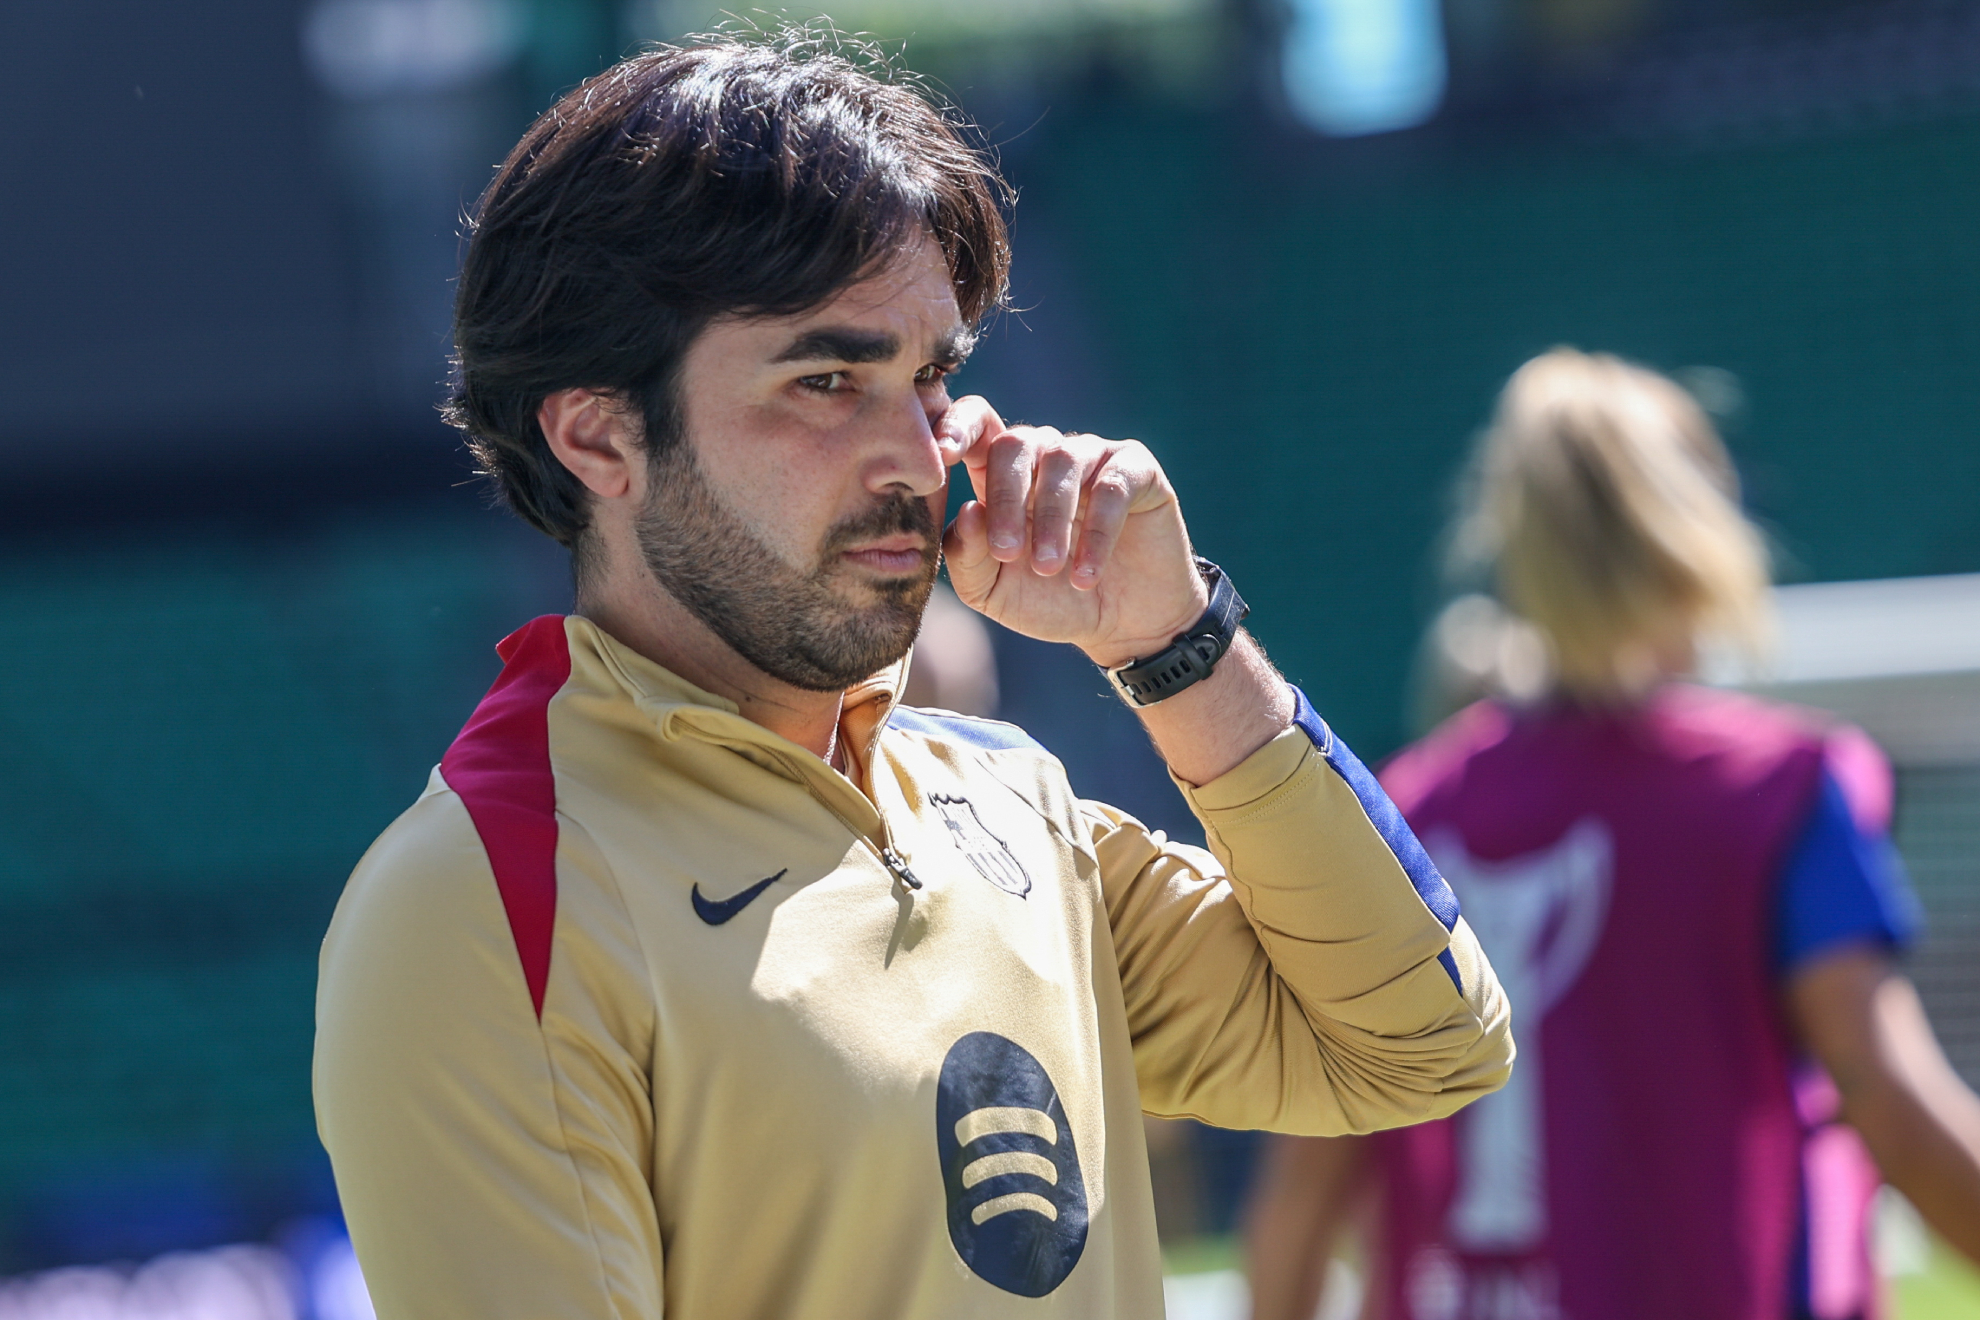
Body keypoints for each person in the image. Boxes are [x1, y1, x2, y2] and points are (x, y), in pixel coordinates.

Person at [311, 31, 1513, 1320]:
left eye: (929, 377)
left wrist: (1179, 647)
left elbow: (1427, 1045)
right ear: (599, 434)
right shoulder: (479, 903)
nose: (914, 456)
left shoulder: (1006, 796)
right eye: (827, 380)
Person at [1244, 349, 1980, 1320]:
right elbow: (1892, 1105)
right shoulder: (1777, 792)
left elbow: (1304, 1190)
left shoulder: (1400, 818)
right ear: (1698, 532)